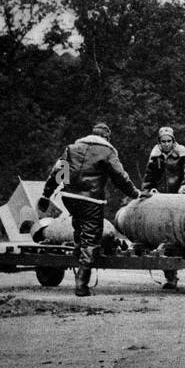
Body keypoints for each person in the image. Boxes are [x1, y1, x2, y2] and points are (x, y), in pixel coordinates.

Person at [39, 121, 143, 297]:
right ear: (106, 137)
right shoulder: (107, 151)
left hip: (69, 197)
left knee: (79, 231)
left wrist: (46, 195)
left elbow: (58, 172)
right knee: (91, 238)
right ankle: (81, 284)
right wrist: (135, 194)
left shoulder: (72, 148)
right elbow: (120, 177)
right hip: (91, 200)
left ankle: (78, 267)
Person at [142, 126, 185, 290]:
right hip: (161, 199)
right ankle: (171, 278)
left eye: (169, 141)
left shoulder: (183, 155)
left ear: (173, 141)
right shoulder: (155, 156)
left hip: (180, 199)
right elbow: (149, 177)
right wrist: (145, 192)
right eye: (163, 141)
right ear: (159, 142)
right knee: (163, 236)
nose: (166, 144)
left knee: (183, 234)